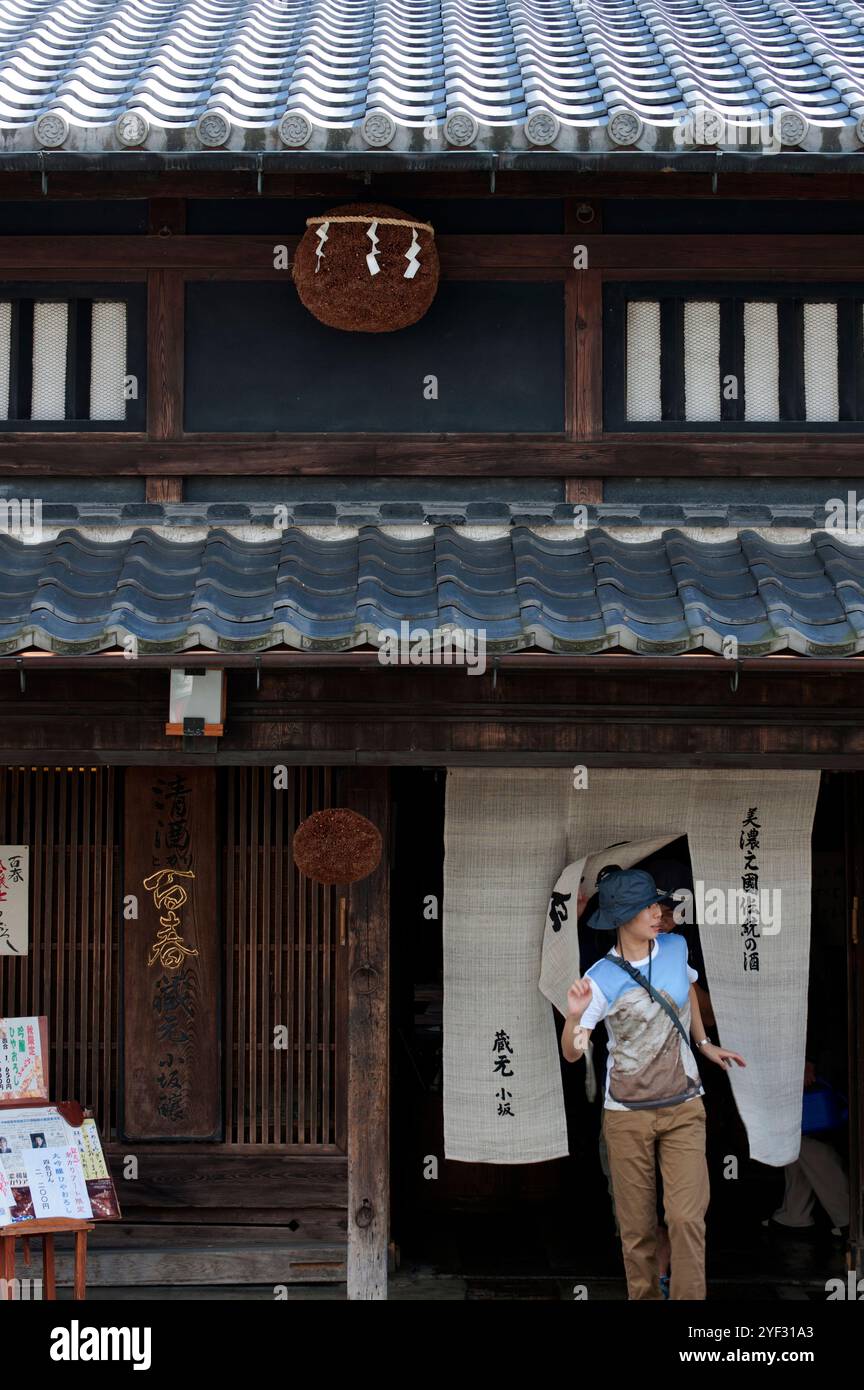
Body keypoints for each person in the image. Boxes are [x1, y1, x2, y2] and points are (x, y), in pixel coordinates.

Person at [561, 866, 746, 1300]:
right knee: (637, 1229)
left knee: (686, 1219)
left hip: (685, 1105)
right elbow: (572, 1052)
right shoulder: (601, 978)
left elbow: (685, 996)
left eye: (656, 903)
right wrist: (574, 1015)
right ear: (622, 916)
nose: (657, 912)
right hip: (626, 1115)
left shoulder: (676, 947)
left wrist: (703, 1044)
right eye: (646, 906)